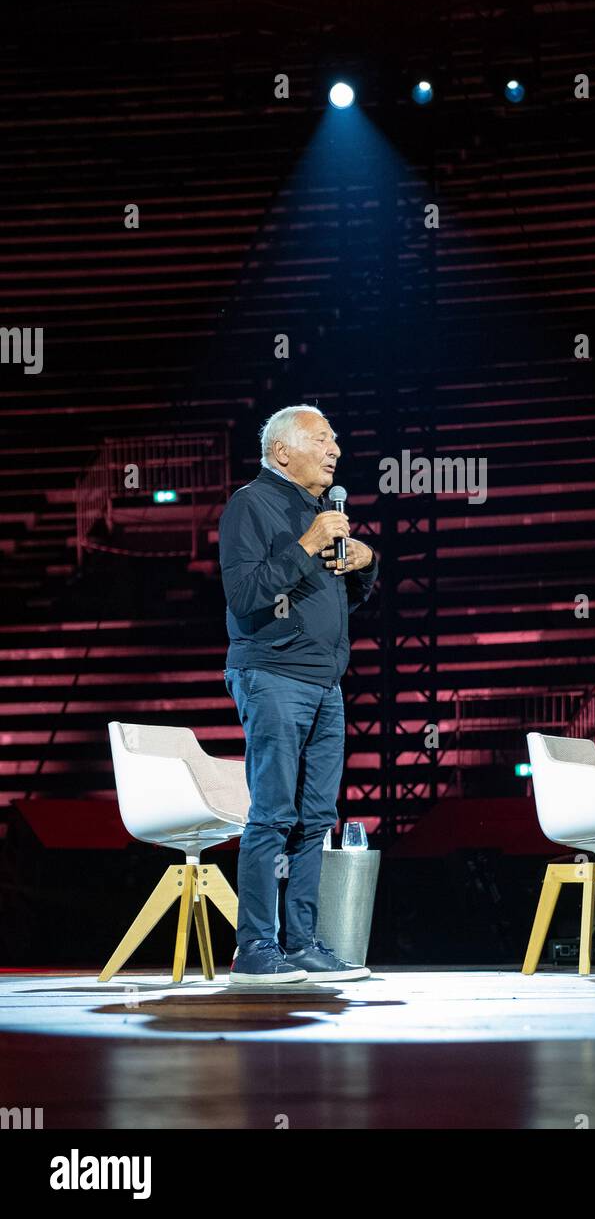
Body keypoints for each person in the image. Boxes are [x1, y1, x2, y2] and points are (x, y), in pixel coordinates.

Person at [219, 403, 378, 985]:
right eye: (321, 439)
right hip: (273, 675)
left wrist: (365, 563)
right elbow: (244, 593)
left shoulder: (320, 513)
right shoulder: (250, 505)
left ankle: (303, 941)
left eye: (335, 440)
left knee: (317, 817)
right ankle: (256, 948)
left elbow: (337, 606)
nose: (335, 449)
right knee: (273, 814)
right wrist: (308, 543)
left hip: (324, 682)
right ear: (283, 451)